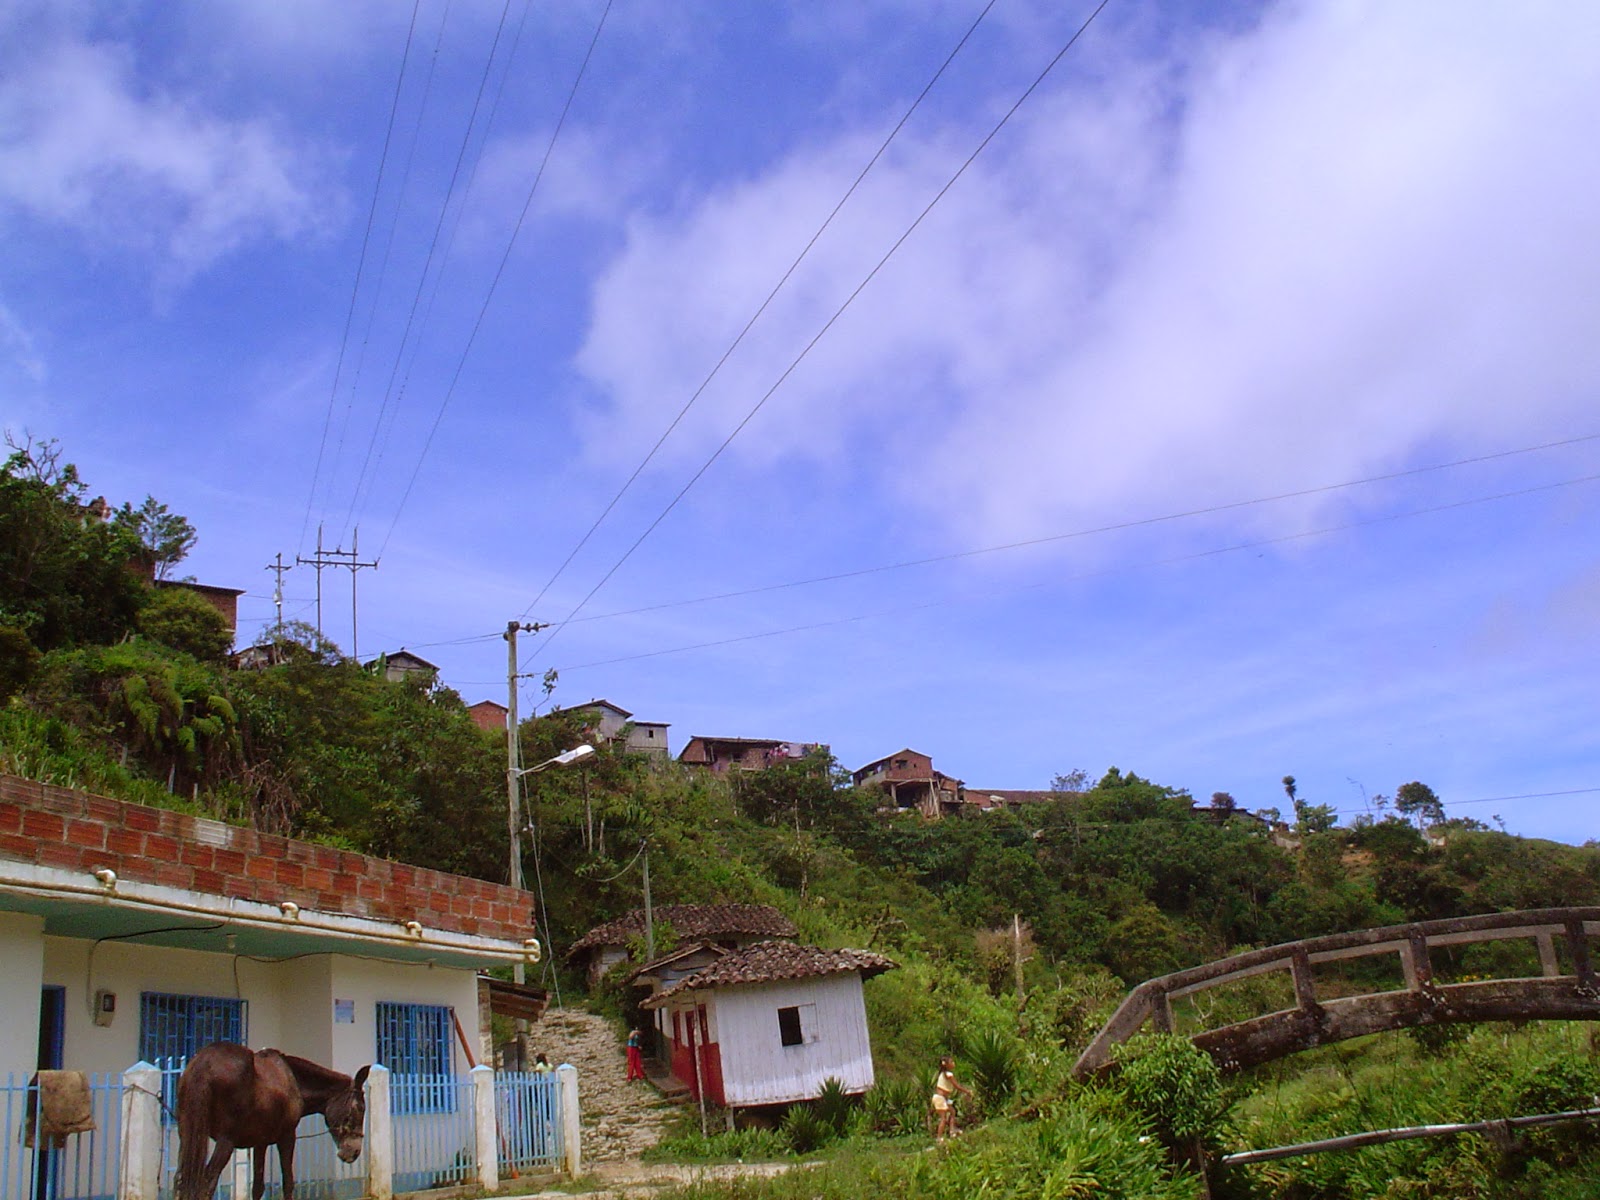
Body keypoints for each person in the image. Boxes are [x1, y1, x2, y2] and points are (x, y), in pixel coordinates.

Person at [930, 1055, 972, 1142]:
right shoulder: (949, 1075)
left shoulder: (942, 1074)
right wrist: (967, 1091)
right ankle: (939, 1138)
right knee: (943, 1118)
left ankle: (952, 1130)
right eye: (951, 1062)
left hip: (942, 1098)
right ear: (947, 1065)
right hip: (941, 1098)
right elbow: (957, 1086)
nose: (953, 1063)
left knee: (952, 1112)